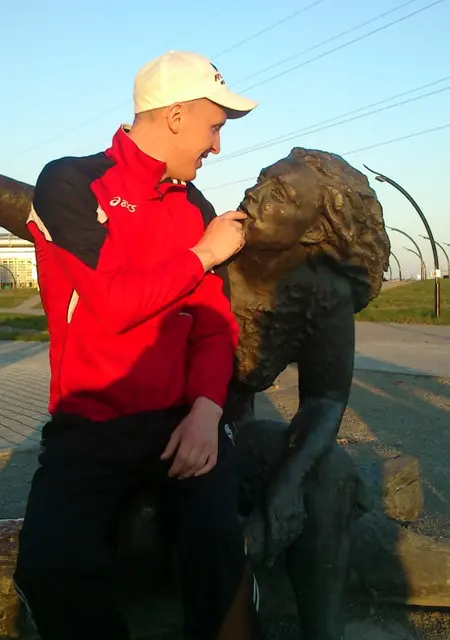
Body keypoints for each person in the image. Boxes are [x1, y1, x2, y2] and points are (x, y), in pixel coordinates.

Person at [13, 50, 261, 639]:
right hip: (89, 425)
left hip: (182, 421)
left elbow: (214, 326)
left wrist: (208, 410)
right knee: (49, 567)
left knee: (219, 548)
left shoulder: (196, 207)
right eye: (214, 127)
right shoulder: (71, 182)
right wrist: (204, 253)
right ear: (175, 116)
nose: (217, 146)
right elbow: (113, 301)